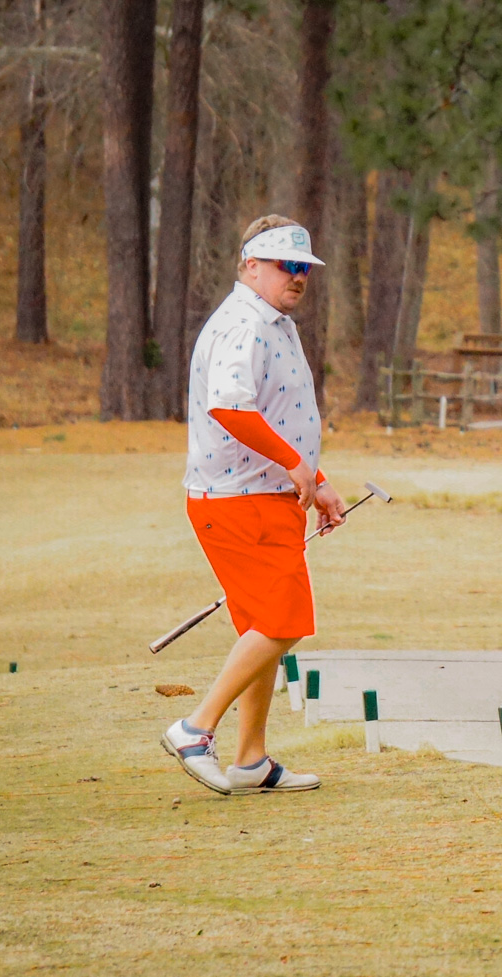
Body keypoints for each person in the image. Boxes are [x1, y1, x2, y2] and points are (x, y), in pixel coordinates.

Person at [161, 215, 344, 796]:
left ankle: (250, 760)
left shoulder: (276, 323)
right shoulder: (243, 323)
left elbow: (279, 415)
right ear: (250, 266)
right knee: (283, 620)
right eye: (285, 266)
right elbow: (231, 408)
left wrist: (316, 478)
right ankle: (196, 728)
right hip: (237, 497)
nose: (297, 277)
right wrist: (295, 466)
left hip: (267, 494)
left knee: (259, 628)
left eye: (303, 268)